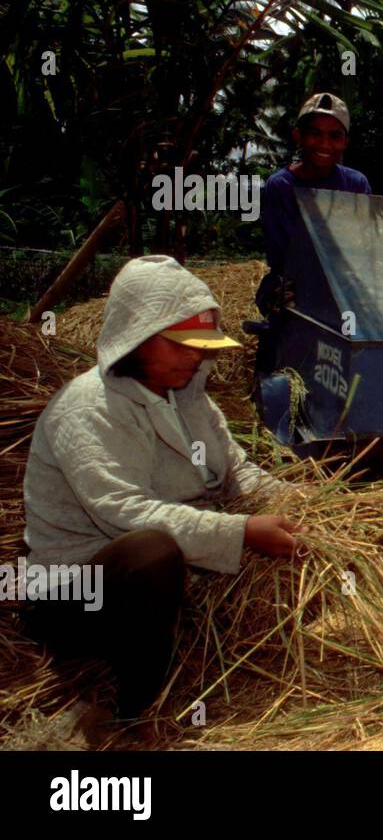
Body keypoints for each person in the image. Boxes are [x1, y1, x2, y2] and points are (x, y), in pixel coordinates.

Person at [22, 255, 307, 744]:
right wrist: (238, 532)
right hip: (78, 591)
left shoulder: (189, 398)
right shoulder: (88, 409)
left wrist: (302, 502)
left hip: (175, 575)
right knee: (151, 553)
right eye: (180, 344)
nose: (194, 356)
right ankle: (132, 711)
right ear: (135, 334)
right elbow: (126, 514)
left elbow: (236, 470)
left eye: (201, 345)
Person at [255, 92, 372, 318]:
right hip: (298, 282)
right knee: (279, 301)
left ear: (345, 142)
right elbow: (283, 255)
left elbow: (363, 248)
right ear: (298, 136)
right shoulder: (281, 186)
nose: (324, 143)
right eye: (315, 134)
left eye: (334, 135)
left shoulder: (356, 183)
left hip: (347, 283)